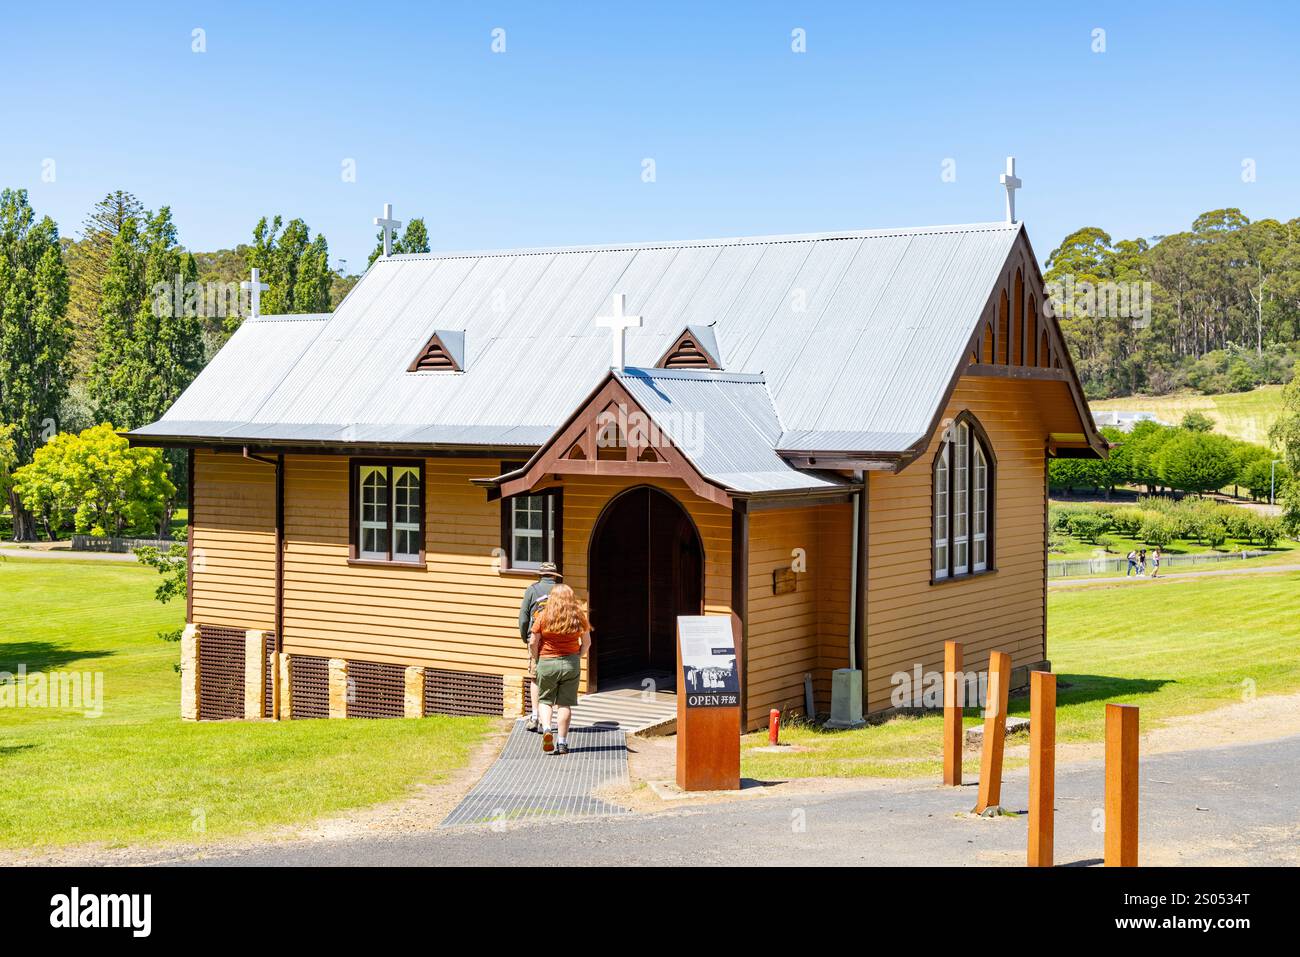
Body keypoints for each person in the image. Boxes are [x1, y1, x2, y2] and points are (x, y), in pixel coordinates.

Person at [528, 583, 591, 756]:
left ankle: (547, 728)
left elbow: (533, 641)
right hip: (570, 663)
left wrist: (537, 657)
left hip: (547, 662)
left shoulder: (543, 616)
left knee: (545, 700)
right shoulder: (579, 617)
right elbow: (587, 643)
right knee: (565, 704)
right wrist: (578, 656)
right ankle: (562, 743)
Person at [517, 561, 561, 732]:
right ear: (555, 576)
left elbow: (523, 617)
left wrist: (525, 636)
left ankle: (535, 717)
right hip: (557, 640)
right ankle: (548, 720)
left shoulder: (532, 590)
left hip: (536, 639)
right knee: (554, 679)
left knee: (535, 678)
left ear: (540, 575)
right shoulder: (561, 590)